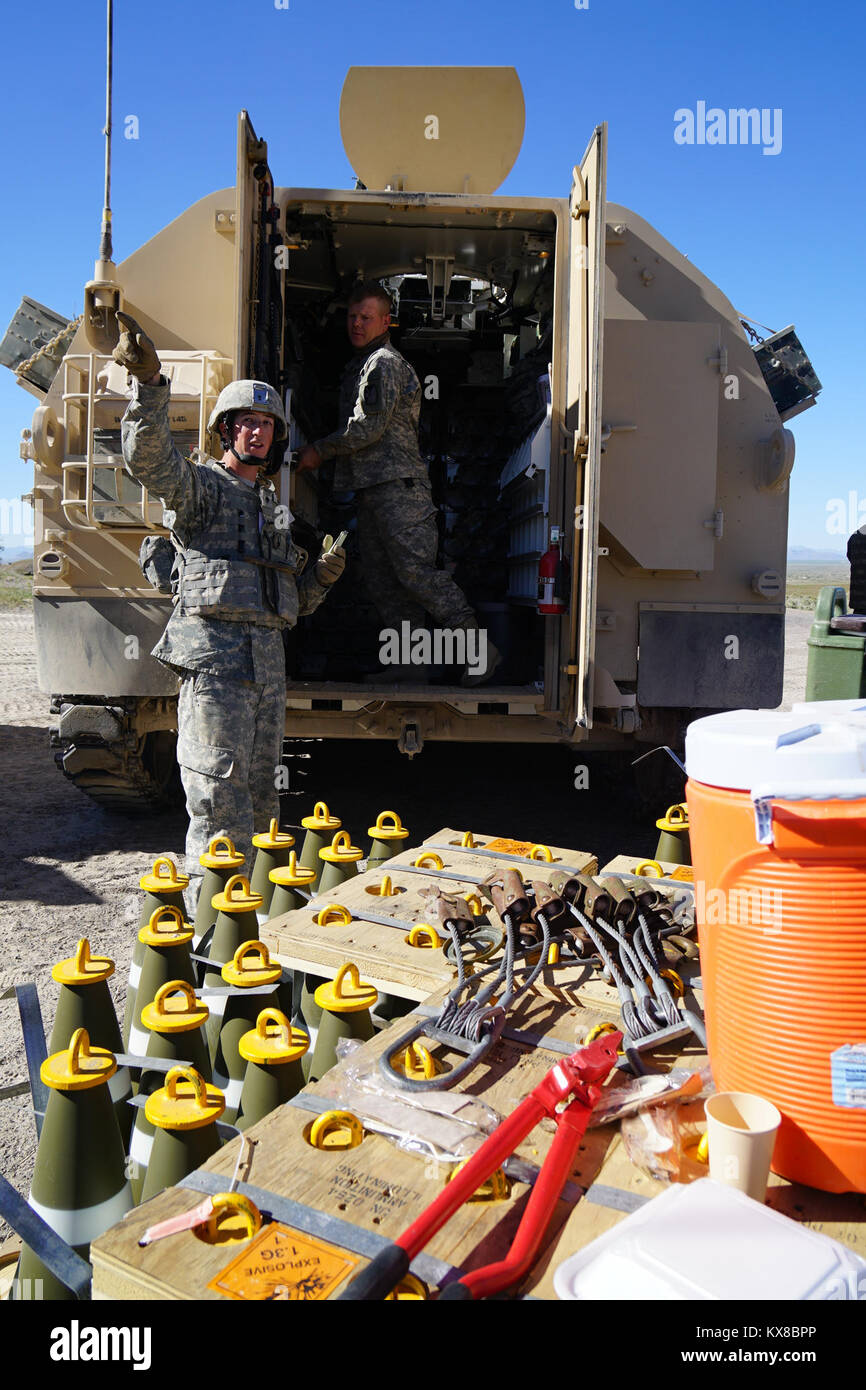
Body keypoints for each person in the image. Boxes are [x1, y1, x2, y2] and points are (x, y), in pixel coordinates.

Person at [114, 310, 345, 908]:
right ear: (225, 431)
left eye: (267, 424)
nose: (258, 433)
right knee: (217, 804)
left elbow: (288, 603)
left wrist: (320, 574)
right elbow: (149, 459)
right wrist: (150, 385)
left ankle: (253, 929)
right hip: (216, 669)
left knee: (264, 807)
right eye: (246, 423)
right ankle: (206, 937)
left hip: (266, 668)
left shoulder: (272, 510)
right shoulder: (202, 491)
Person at [295, 280, 500, 685]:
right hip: (375, 489)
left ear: (385, 320)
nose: (357, 324)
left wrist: (319, 450)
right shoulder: (365, 363)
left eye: (365, 317)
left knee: (415, 573)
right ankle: (410, 664)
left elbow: (367, 429)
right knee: (384, 579)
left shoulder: (383, 364)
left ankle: (482, 652)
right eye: (352, 317)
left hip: (398, 489)